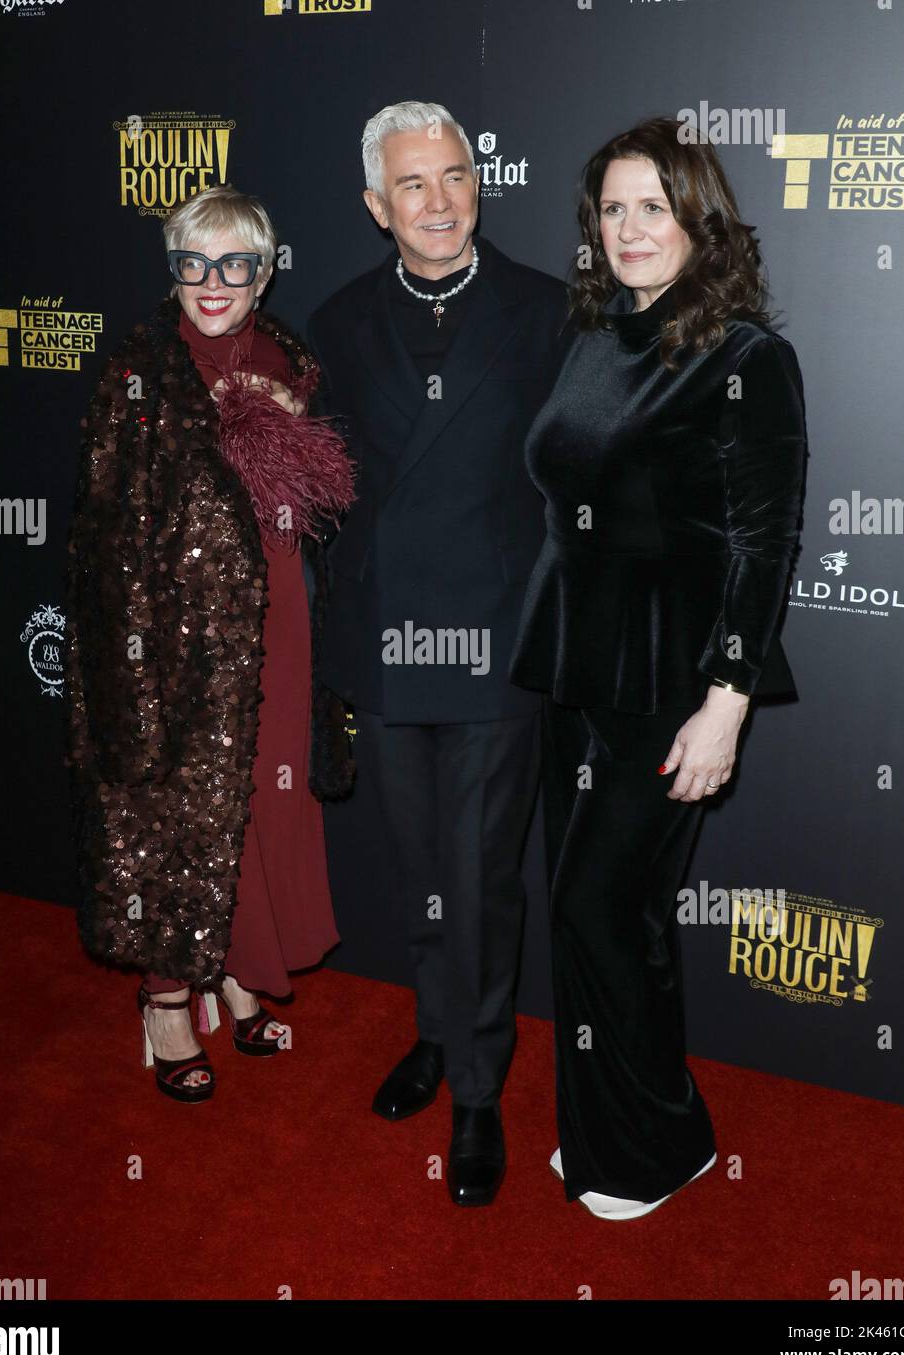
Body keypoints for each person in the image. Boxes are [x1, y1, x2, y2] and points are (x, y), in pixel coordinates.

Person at [510, 116, 808, 1218]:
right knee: (584, 909)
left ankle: (658, 1144)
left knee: (605, 907)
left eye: (652, 205)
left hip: (673, 676)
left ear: (698, 217)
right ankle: (602, 1128)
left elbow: (763, 540)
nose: (628, 227)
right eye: (611, 207)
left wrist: (726, 704)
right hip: (575, 660)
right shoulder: (594, 331)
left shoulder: (744, 357)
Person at [307, 101, 569, 1204]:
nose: (439, 201)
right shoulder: (336, 319)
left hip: (493, 645)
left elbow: (578, 480)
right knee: (423, 871)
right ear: (377, 206)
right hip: (385, 638)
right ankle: (433, 1030)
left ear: (478, 183)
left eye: (455, 176)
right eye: (412, 185)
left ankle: (474, 1089)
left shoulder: (548, 310)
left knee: (478, 878)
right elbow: (331, 492)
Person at [63, 184, 355, 1104]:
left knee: (262, 804)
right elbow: (104, 532)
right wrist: (128, 671)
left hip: (278, 622)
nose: (213, 282)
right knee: (172, 818)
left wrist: (288, 422)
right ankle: (165, 1000)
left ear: (263, 272)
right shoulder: (138, 370)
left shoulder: (289, 358)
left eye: (235, 263)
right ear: (174, 268)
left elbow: (327, 507)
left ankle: (236, 969)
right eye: (194, 262)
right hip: (173, 644)